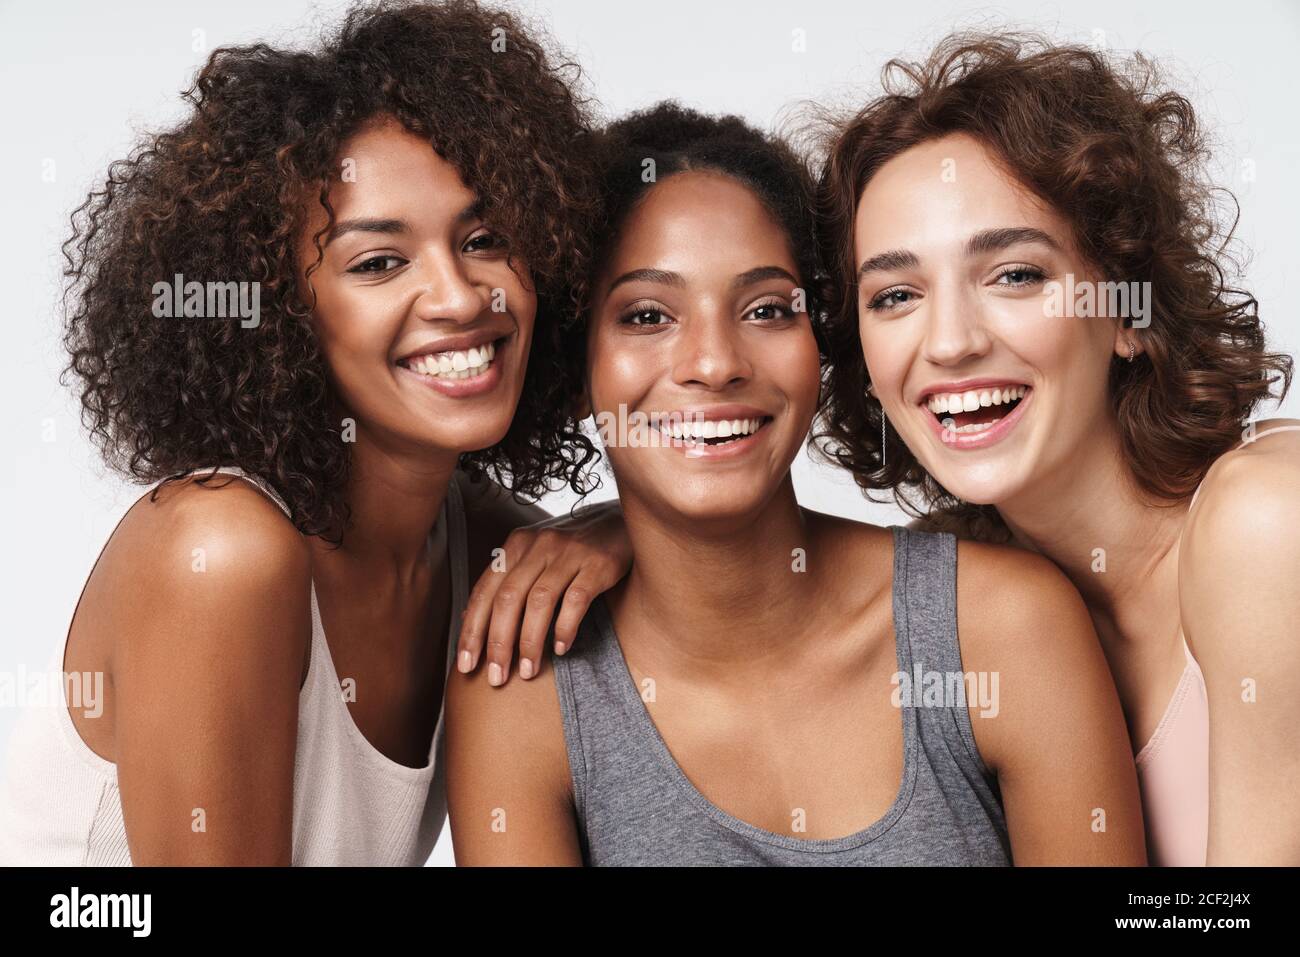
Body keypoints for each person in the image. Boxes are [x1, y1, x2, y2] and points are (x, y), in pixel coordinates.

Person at [0, 0, 629, 866]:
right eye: (379, 261)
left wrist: (628, 530)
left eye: (485, 238)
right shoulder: (222, 554)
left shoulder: (494, 548)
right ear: (282, 312)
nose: (458, 296)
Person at [445, 103, 1146, 866]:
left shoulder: (1003, 626)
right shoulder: (525, 686)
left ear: (822, 347)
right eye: (648, 315)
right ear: (574, 364)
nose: (714, 362)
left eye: (768, 308)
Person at [812, 33, 1299, 865]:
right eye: (896, 295)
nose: (952, 343)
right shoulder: (964, 599)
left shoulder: (1266, 518)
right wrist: (613, 532)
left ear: (1127, 313)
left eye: (1014, 275)